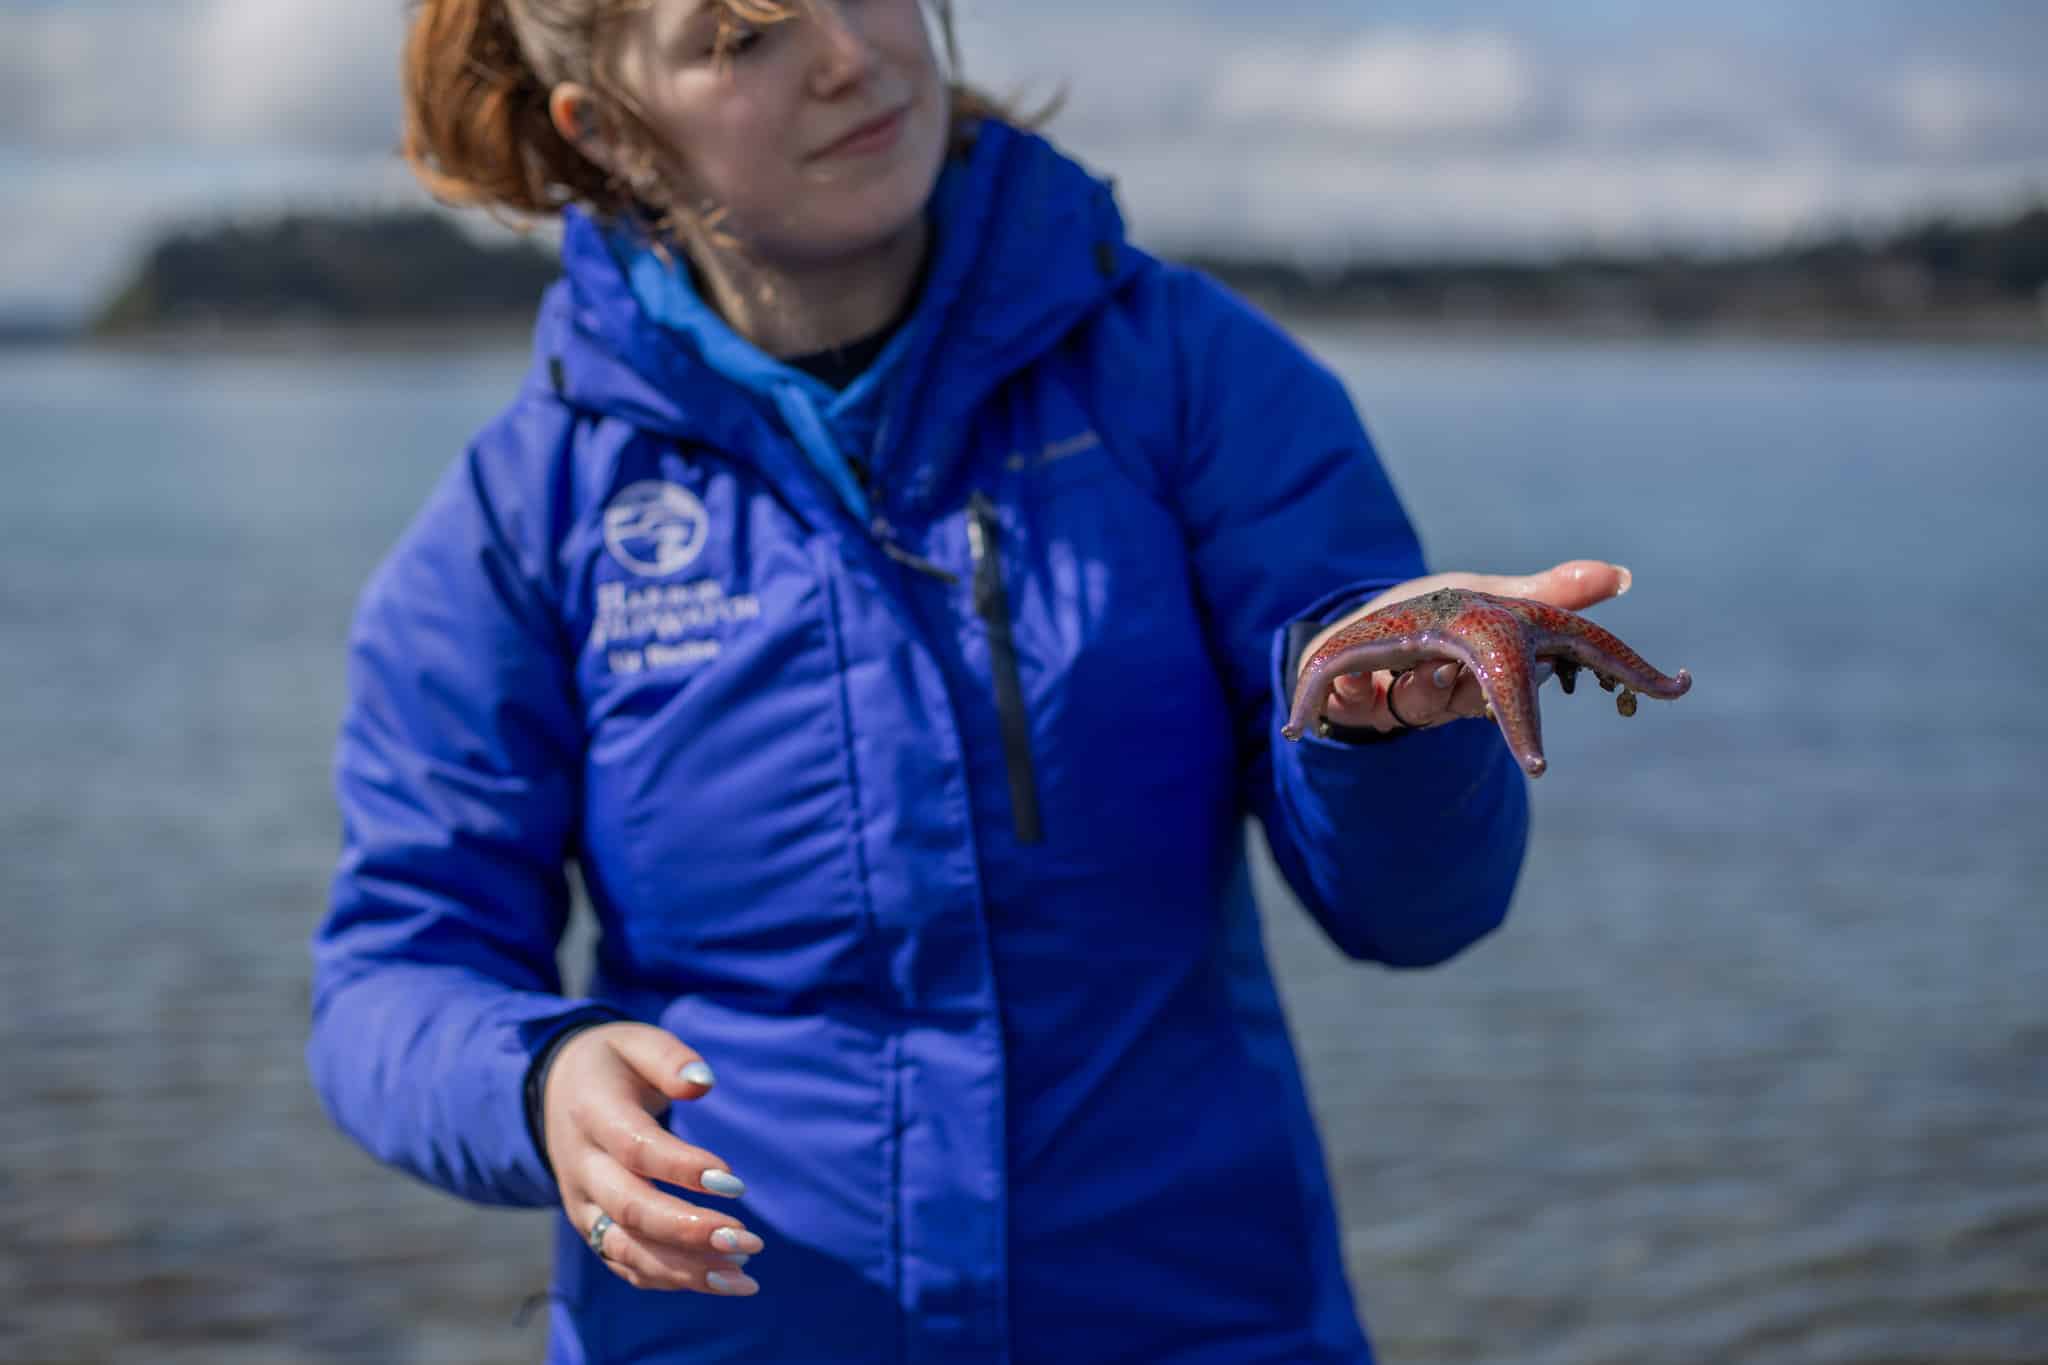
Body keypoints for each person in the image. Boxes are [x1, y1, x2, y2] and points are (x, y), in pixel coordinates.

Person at [307, 0, 1631, 1360]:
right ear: (612, 134)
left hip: (1193, 1321)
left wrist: (1389, 736)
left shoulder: (1186, 380)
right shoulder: (526, 515)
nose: (844, 54)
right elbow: (394, 972)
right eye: (739, 38)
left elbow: (1421, 912)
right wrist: (536, 1077)